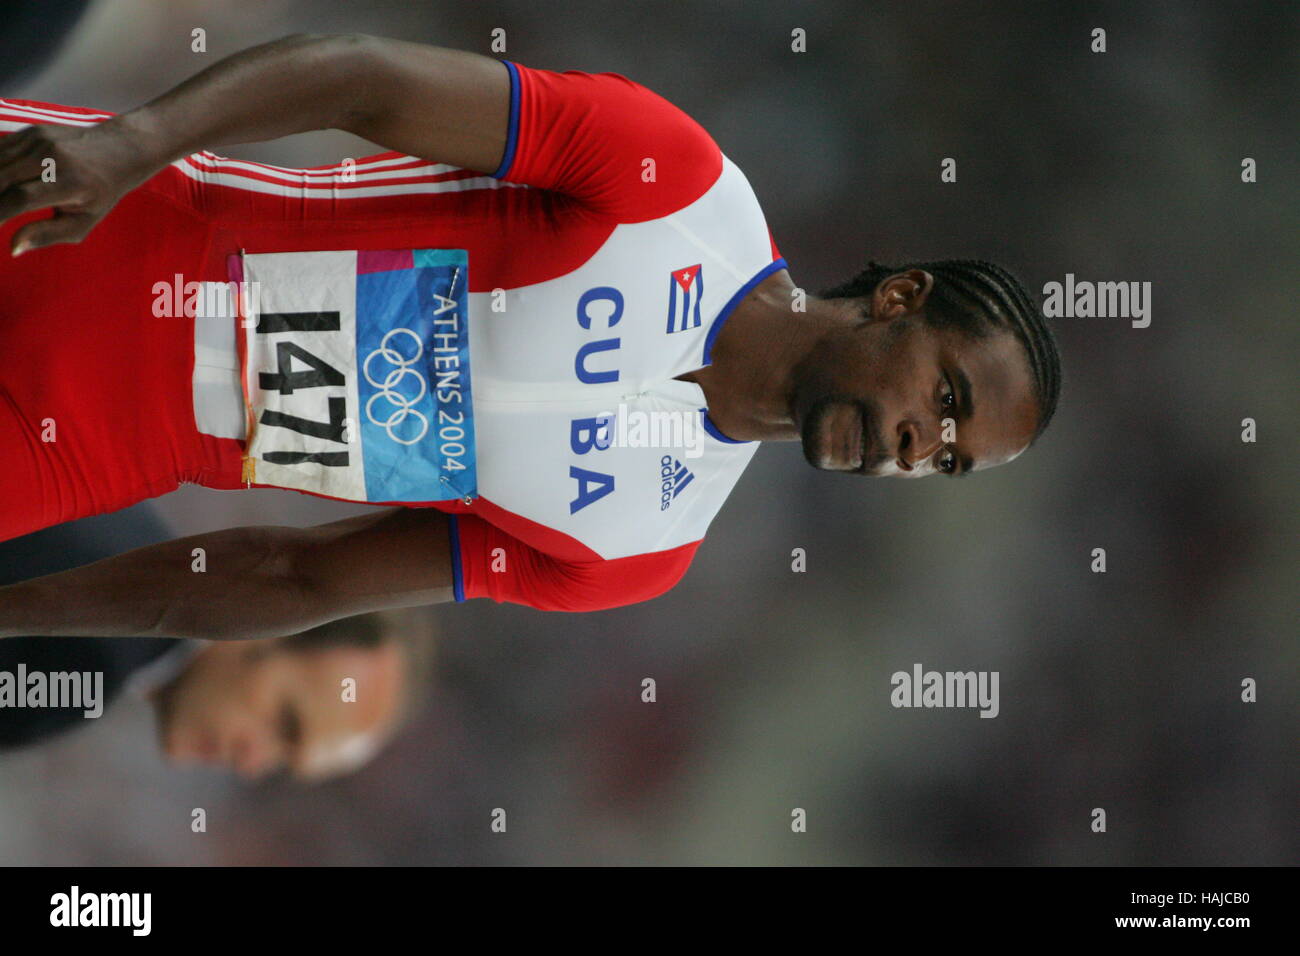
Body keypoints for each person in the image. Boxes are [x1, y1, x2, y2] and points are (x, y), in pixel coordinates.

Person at [0, 34, 1061, 635]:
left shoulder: (638, 546)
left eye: (950, 460)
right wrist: (137, 140)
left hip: (64, 456)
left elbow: (295, 577)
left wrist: (14, 614)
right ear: (900, 296)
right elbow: (368, 84)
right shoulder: (677, 187)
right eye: (947, 396)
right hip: (90, 225)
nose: (920, 445)